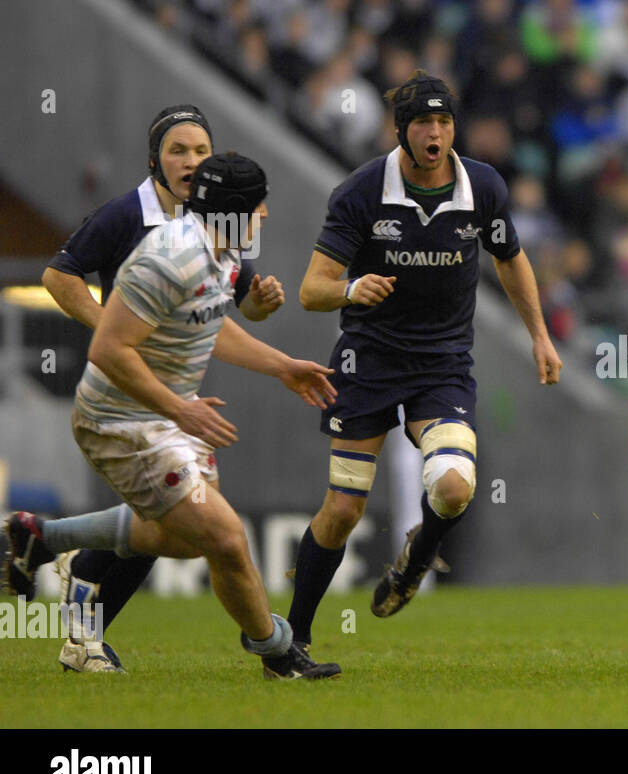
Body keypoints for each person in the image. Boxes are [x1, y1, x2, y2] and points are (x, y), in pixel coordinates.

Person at [2, 152, 340, 680]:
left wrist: (283, 367)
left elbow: (213, 322)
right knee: (227, 538)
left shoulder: (220, 251)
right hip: (119, 421)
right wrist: (179, 407)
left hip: (163, 416)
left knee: (181, 539)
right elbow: (108, 351)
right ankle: (278, 652)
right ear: (232, 210)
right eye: (258, 205)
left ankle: (44, 538)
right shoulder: (169, 257)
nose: (266, 214)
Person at [286, 71, 562, 666]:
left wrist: (539, 335)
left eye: (444, 122)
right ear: (401, 131)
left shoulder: (482, 186)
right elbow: (310, 290)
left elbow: (510, 261)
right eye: (423, 123)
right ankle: (294, 639)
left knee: (454, 487)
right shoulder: (362, 192)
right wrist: (353, 287)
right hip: (368, 364)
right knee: (342, 511)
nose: (435, 133)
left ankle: (415, 558)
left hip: (441, 366)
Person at [39, 104, 287, 673]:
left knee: (168, 531)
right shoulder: (129, 214)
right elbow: (59, 274)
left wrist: (261, 304)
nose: (191, 161)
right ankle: (271, 648)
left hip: (181, 398)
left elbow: (232, 309)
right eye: (178, 150)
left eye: (201, 151)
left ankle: (66, 575)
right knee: (182, 524)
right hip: (130, 397)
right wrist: (116, 329)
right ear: (155, 161)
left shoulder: (219, 221)